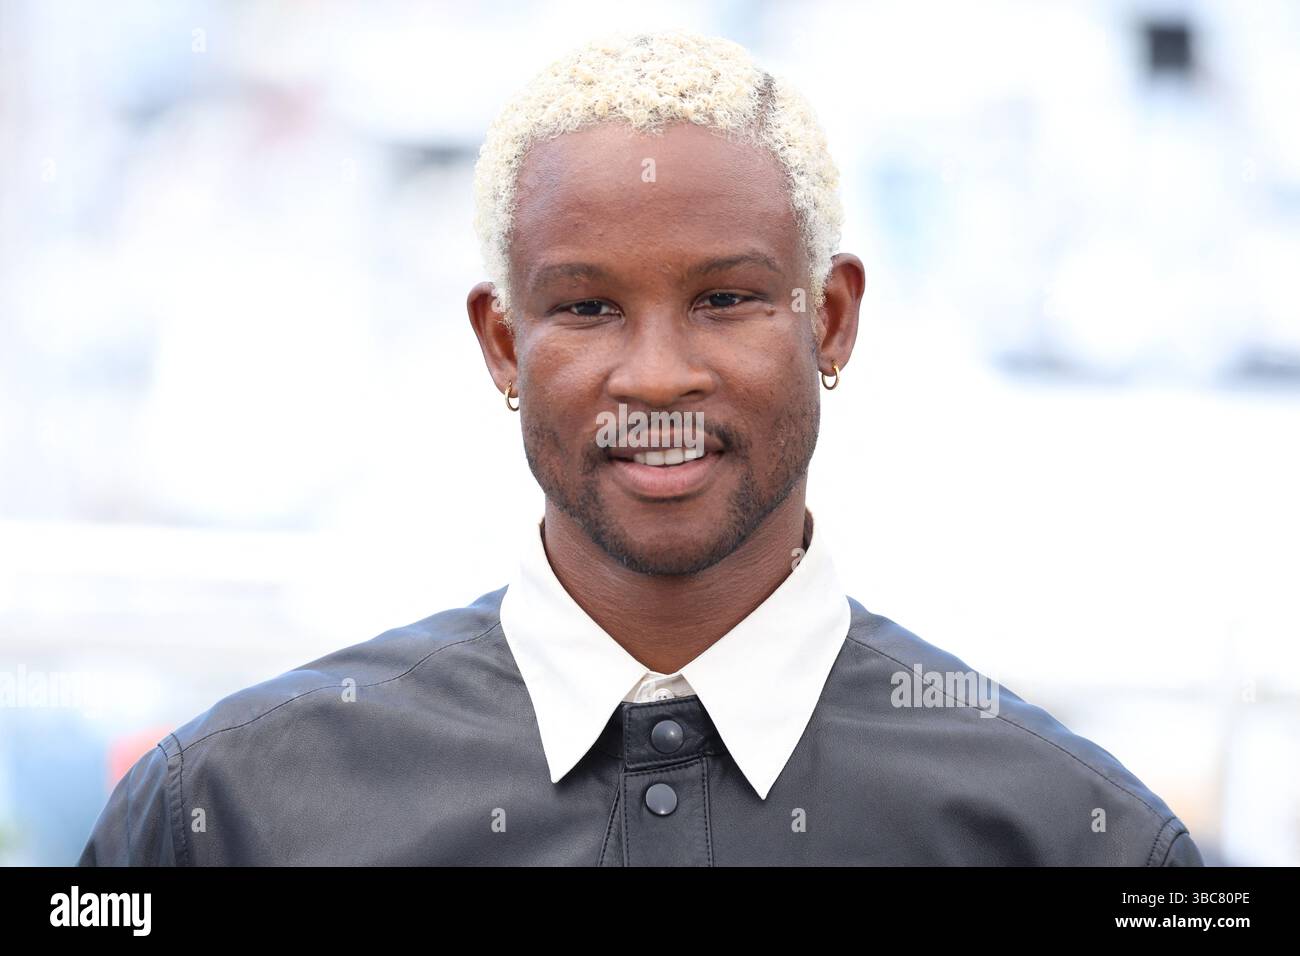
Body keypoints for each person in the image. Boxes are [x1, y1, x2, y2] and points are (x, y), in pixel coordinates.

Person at [79, 29, 1203, 866]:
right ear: (501, 341)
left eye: (724, 297)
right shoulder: (226, 810)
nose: (658, 373)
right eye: (586, 307)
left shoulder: (1075, 838)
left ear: (831, 319)